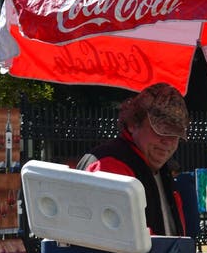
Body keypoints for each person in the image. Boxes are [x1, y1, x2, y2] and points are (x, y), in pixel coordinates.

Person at [77, 83, 193, 236]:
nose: (169, 141)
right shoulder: (109, 166)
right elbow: (117, 239)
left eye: (175, 134)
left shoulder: (161, 171)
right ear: (133, 124)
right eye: (161, 131)